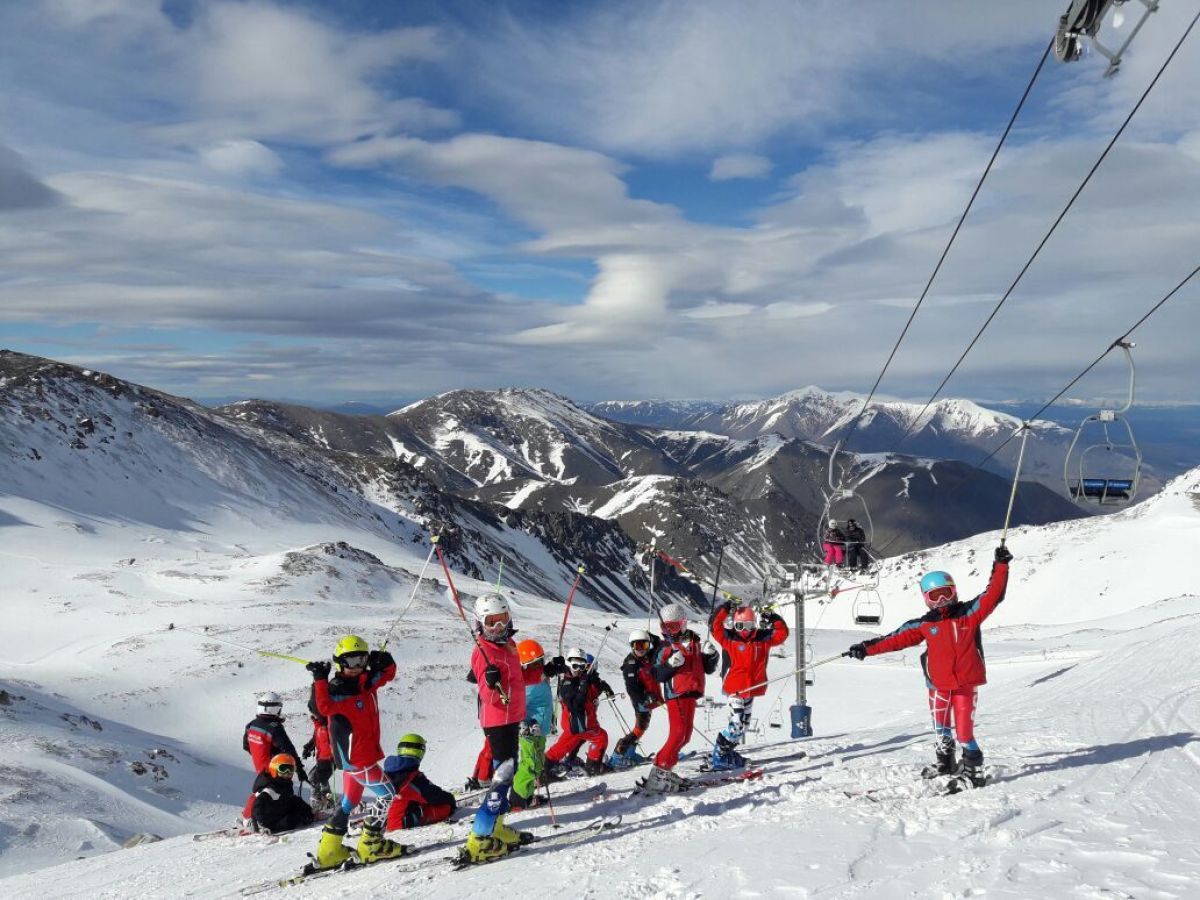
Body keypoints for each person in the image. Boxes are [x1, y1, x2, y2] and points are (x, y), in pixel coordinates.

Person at [846, 545, 1013, 789]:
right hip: (938, 686)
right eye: (935, 596)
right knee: (941, 728)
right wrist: (865, 648)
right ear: (926, 599)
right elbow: (894, 639)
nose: (942, 600)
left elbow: (994, 594)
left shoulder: (969, 614)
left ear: (954, 592)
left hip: (965, 685)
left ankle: (974, 774)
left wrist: (1001, 566)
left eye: (946, 593)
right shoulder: (925, 625)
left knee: (965, 733)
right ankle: (946, 762)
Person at [306, 635, 398, 869]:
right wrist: (319, 679)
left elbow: (387, 674)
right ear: (339, 663)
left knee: (349, 801)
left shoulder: (365, 683)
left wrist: (384, 660)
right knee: (387, 794)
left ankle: (329, 848)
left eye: (361, 660)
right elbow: (320, 707)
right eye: (351, 661)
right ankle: (371, 843)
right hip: (357, 759)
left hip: (361, 756)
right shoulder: (336, 690)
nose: (356, 667)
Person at [458, 594, 531, 865]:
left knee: (508, 771)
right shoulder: (482, 652)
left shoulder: (510, 645)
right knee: (503, 776)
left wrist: (542, 670)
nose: (498, 628)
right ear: (480, 623)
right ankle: (479, 836)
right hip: (498, 720)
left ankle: (497, 826)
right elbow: (488, 694)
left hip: (512, 717)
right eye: (492, 623)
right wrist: (490, 682)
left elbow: (518, 678)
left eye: (502, 621)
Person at [642, 604, 719, 793]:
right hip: (676, 695)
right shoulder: (665, 648)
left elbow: (707, 669)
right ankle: (659, 772)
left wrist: (711, 656)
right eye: (664, 628)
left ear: (683, 624)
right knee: (677, 734)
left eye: (673, 627)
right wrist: (671, 664)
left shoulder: (695, 642)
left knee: (685, 736)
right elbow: (658, 674)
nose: (668, 632)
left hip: (691, 694)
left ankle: (665, 771)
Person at [709, 603, 789, 770]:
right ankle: (719, 756)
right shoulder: (730, 638)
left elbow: (782, 634)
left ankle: (727, 752)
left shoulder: (763, 639)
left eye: (749, 626)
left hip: (751, 689)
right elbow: (715, 626)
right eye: (740, 626)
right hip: (735, 689)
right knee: (737, 723)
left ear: (755, 624)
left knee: (744, 725)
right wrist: (725, 609)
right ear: (734, 625)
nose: (744, 630)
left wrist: (774, 618)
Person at [545, 648, 615, 778]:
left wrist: (603, 686)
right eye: (575, 666)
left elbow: (594, 686)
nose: (579, 669)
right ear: (569, 664)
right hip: (576, 723)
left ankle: (548, 768)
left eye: (582, 666)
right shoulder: (568, 683)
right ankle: (592, 767)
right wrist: (583, 685)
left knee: (564, 746)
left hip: (579, 723)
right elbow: (577, 704)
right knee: (600, 737)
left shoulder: (581, 678)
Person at [241, 692, 306, 827]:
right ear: (275, 708)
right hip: (276, 768)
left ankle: (249, 817)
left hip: (261, 769)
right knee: (280, 795)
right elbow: (289, 749)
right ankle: (260, 820)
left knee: (263, 793)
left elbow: (246, 746)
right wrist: (298, 768)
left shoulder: (251, 725)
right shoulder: (274, 728)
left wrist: (261, 754)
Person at [381, 734, 456, 832]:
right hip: (398, 823)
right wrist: (451, 801)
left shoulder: (388, 771)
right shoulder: (413, 777)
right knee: (445, 808)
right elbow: (434, 795)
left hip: (385, 816)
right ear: (420, 752)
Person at [611, 629, 663, 769]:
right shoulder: (631, 665)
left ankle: (629, 752)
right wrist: (646, 698)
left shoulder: (646, 656)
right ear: (631, 646)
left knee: (642, 727)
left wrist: (652, 637)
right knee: (639, 728)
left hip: (652, 699)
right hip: (642, 701)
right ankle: (618, 754)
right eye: (637, 646)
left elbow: (659, 645)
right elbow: (632, 690)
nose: (640, 650)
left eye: (644, 645)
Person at [251, 753, 315, 835]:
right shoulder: (269, 789)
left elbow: (292, 800)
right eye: (283, 769)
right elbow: (256, 807)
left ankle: (311, 814)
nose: (287, 773)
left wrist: (309, 810)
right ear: (274, 769)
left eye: (290, 769)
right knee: (292, 820)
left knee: (296, 802)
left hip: (280, 812)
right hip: (269, 822)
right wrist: (260, 825)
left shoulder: (284, 784)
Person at [301, 714, 334, 812]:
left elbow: (338, 741)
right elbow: (316, 738)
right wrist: (308, 747)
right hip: (321, 758)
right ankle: (329, 802)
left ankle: (318, 805)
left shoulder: (330, 724)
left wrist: (335, 757)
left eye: (315, 713)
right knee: (321, 780)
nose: (313, 715)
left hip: (329, 759)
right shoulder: (319, 725)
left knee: (314, 778)